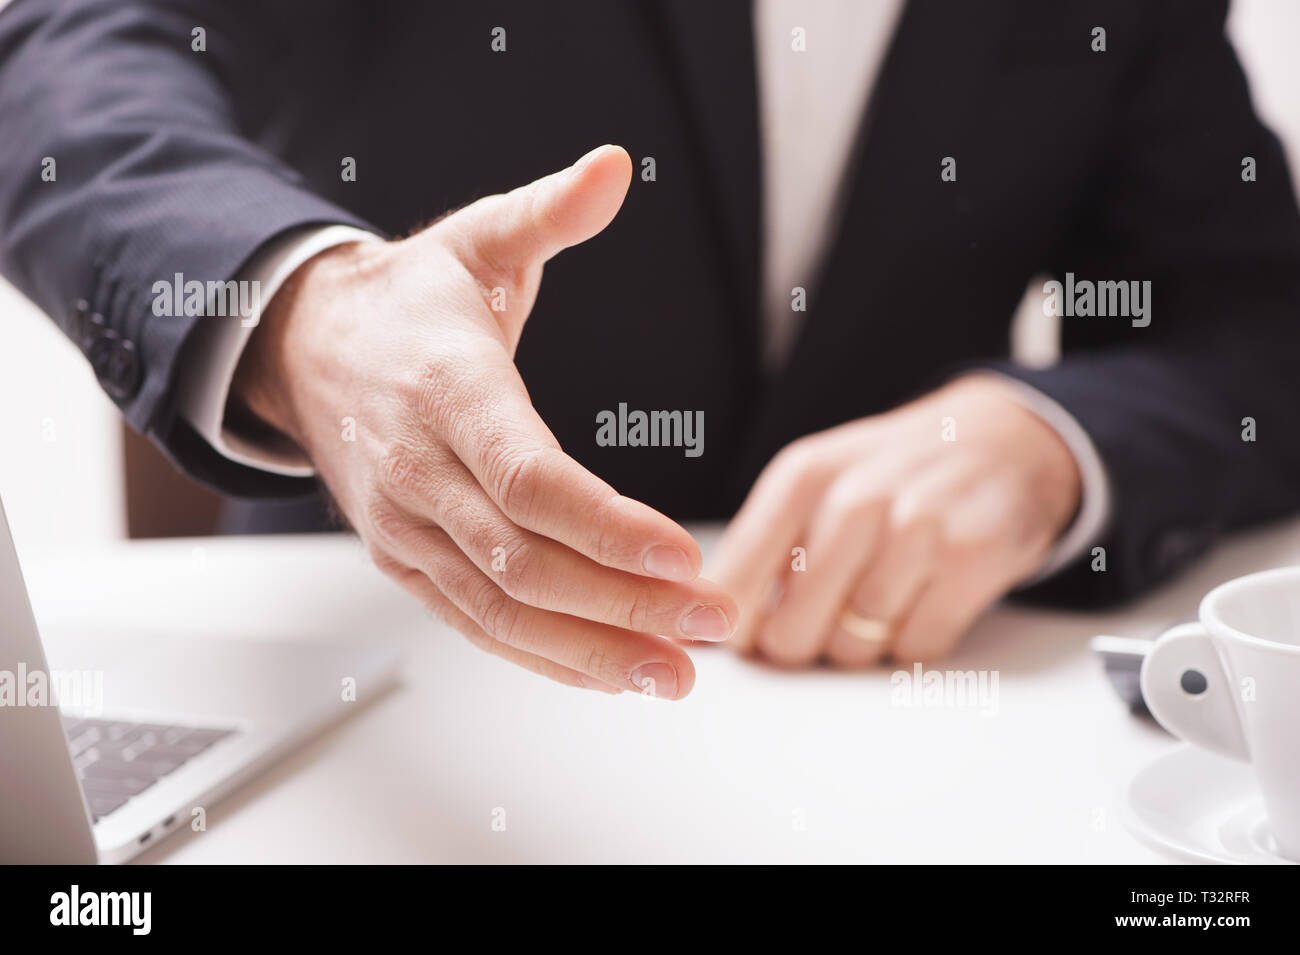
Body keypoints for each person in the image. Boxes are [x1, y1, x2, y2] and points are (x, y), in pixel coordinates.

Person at [2, 0, 1299, 698]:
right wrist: (307, 309)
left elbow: (1258, 323)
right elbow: (54, 47)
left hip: (889, 727)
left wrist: (1056, 446)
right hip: (385, 709)